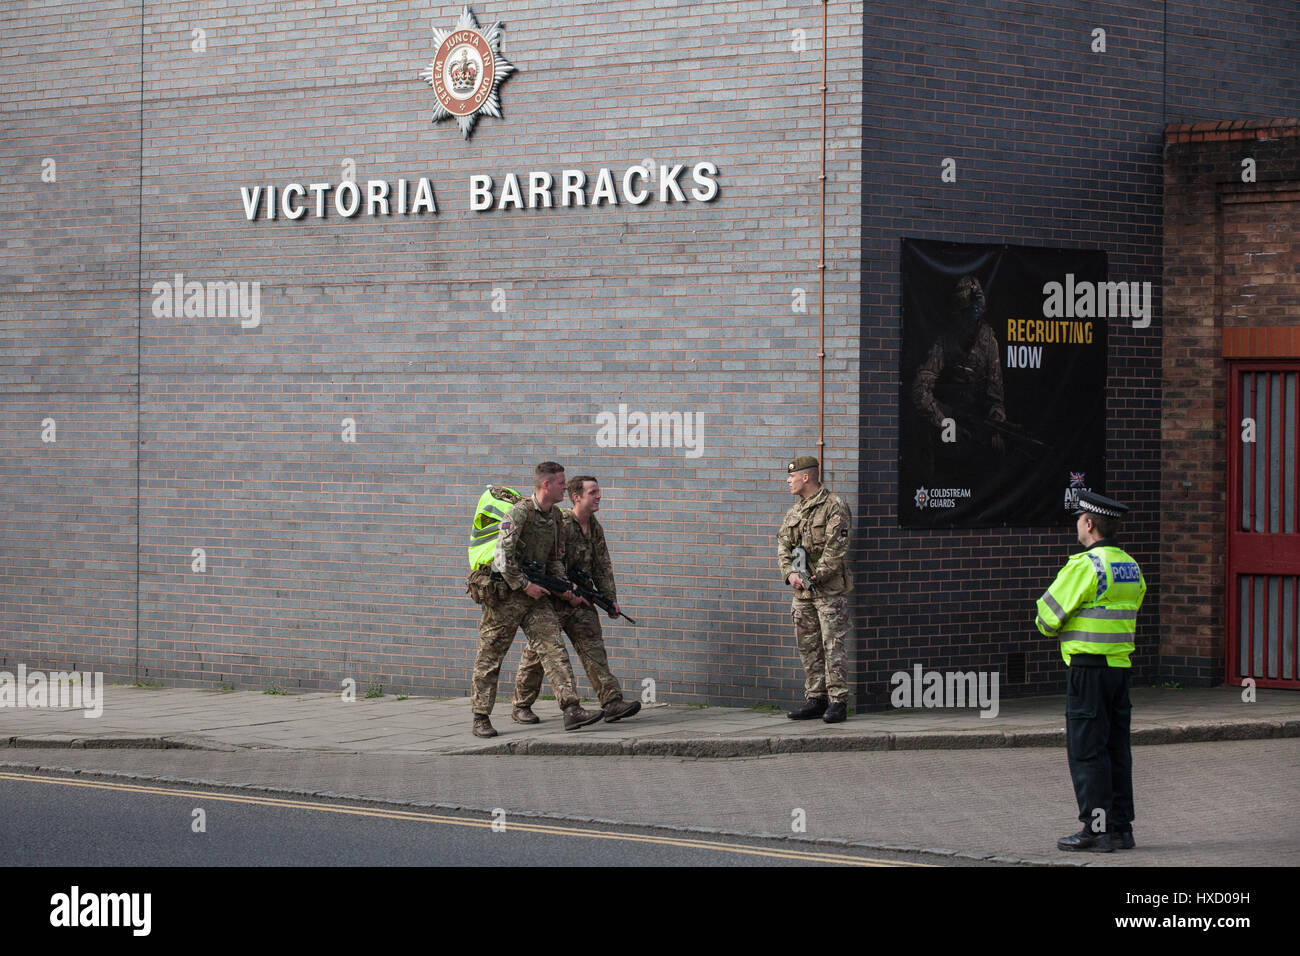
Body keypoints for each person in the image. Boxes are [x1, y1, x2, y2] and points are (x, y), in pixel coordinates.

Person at [1036, 489, 1146, 852]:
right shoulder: (1130, 566)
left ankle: (1095, 830)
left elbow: (1047, 618)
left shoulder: (1085, 566)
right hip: (1119, 669)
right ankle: (1119, 829)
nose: (1077, 527)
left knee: (1087, 752)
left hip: (1088, 671)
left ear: (1089, 523)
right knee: (1117, 749)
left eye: (1079, 521)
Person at [469, 462, 605, 738]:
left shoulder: (555, 516)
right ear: (546, 485)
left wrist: (563, 588)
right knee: (491, 657)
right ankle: (481, 717)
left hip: (536, 596)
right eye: (560, 483)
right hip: (506, 596)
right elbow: (501, 556)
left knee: (553, 648)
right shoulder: (520, 513)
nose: (565, 488)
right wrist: (525, 584)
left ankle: (571, 709)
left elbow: (554, 560)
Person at [512, 475, 641, 724]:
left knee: (593, 646)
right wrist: (565, 591)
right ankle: (521, 705)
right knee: (539, 655)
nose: (599, 496)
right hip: (553, 598)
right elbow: (551, 560)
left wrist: (609, 600)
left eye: (598, 491)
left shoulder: (594, 527)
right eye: (593, 492)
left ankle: (611, 701)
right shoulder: (561, 522)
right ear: (577, 497)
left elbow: (603, 567)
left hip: (580, 598)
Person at [777, 456, 855, 723]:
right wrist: (791, 575)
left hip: (829, 593)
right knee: (808, 646)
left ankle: (838, 702)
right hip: (802, 594)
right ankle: (816, 698)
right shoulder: (794, 513)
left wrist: (812, 576)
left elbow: (836, 551)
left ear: (806, 477)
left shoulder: (835, 507)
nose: (788, 481)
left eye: (792, 476)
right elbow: (783, 549)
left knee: (833, 646)